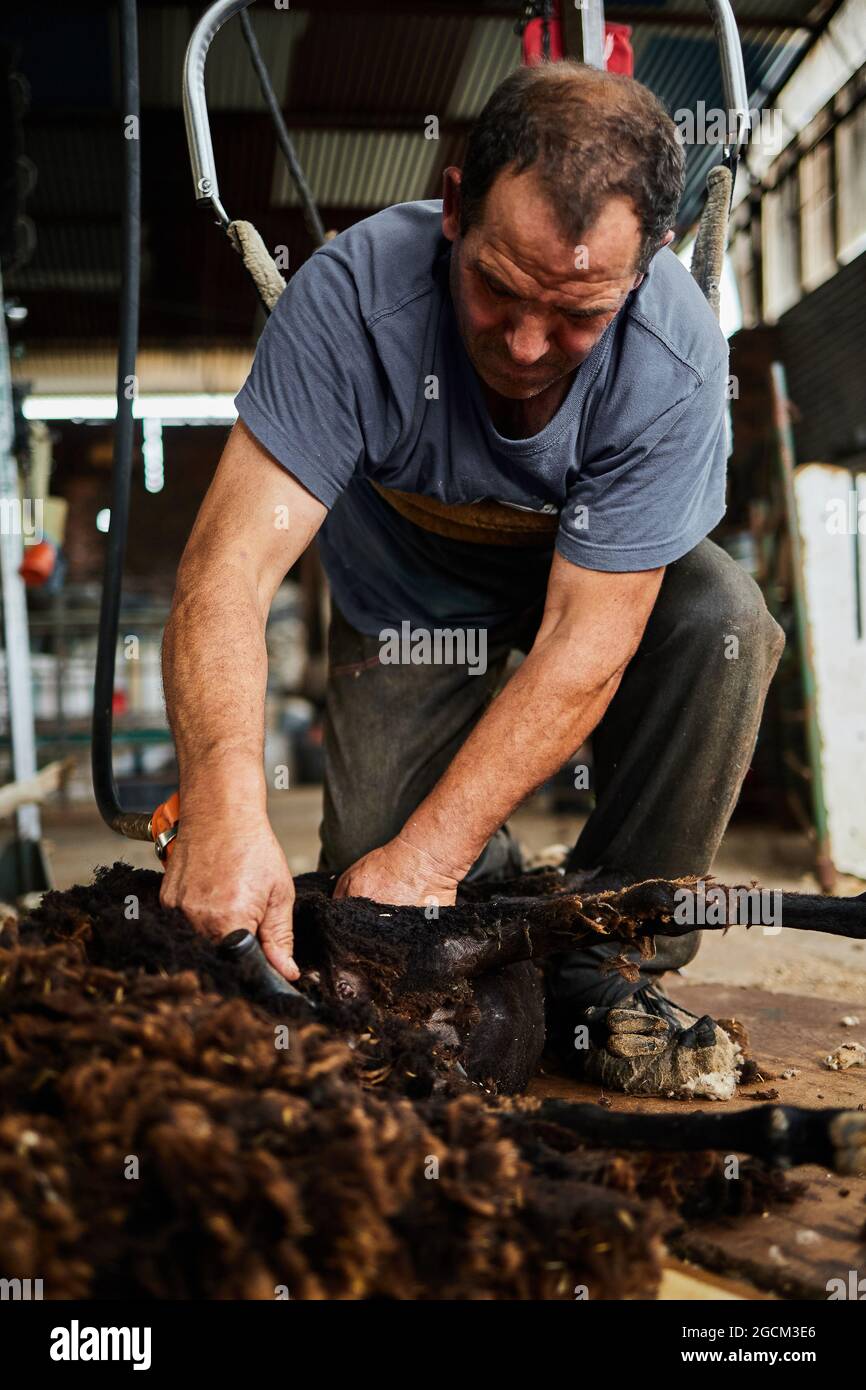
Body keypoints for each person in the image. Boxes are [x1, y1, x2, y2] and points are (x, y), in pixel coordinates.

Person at [161, 61, 783, 1089]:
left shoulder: (670, 358)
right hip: (405, 596)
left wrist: (428, 859)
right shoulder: (350, 300)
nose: (528, 346)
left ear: (648, 264)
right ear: (453, 206)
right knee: (368, 885)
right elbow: (225, 568)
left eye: (578, 313)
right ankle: (490, 896)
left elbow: (585, 644)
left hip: (584, 588)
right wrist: (223, 796)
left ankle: (605, 954)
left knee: (723, 616)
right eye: (497, 288)